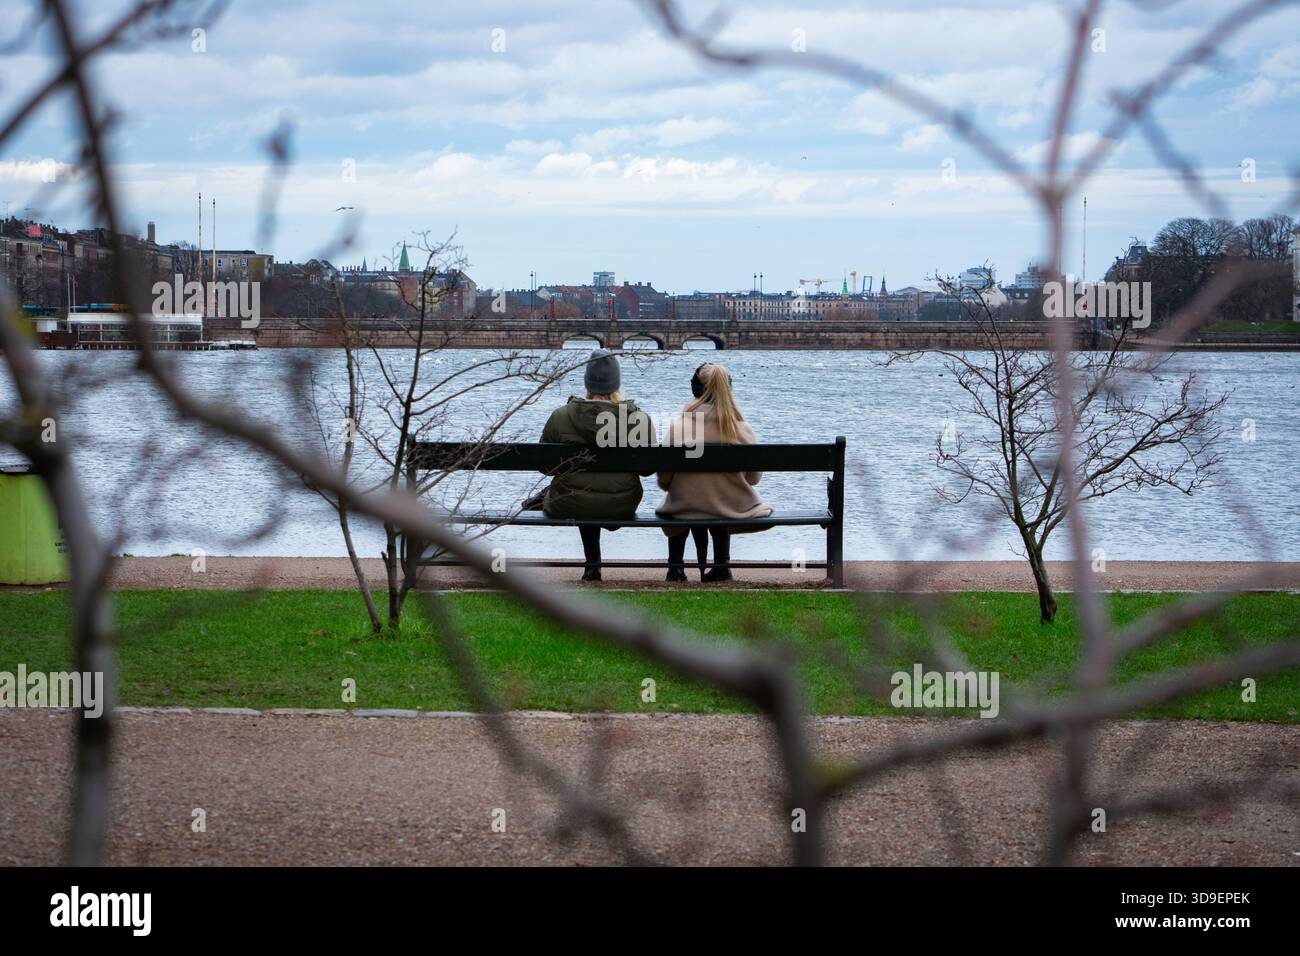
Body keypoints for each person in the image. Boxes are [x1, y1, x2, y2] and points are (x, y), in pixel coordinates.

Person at [538, 349, 654, 581]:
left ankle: (593, 564)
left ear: (587, 382)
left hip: (571, 502)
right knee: (592, 489)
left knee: (581, 490)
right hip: (621, 502)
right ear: (617, 383)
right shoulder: (638, 419)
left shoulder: (561, 416)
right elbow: (647, 468)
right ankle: (593, 563)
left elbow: (544, 465)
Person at [656, 363, 772, 582]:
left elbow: (665, 478)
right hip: (729, 508)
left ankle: (676, 567)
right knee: (721, 501)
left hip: (684, 506)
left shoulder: (680, 426)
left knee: (681, 502)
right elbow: (754, 478)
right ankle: (722, 565)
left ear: (695, 390)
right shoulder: (739, 428)